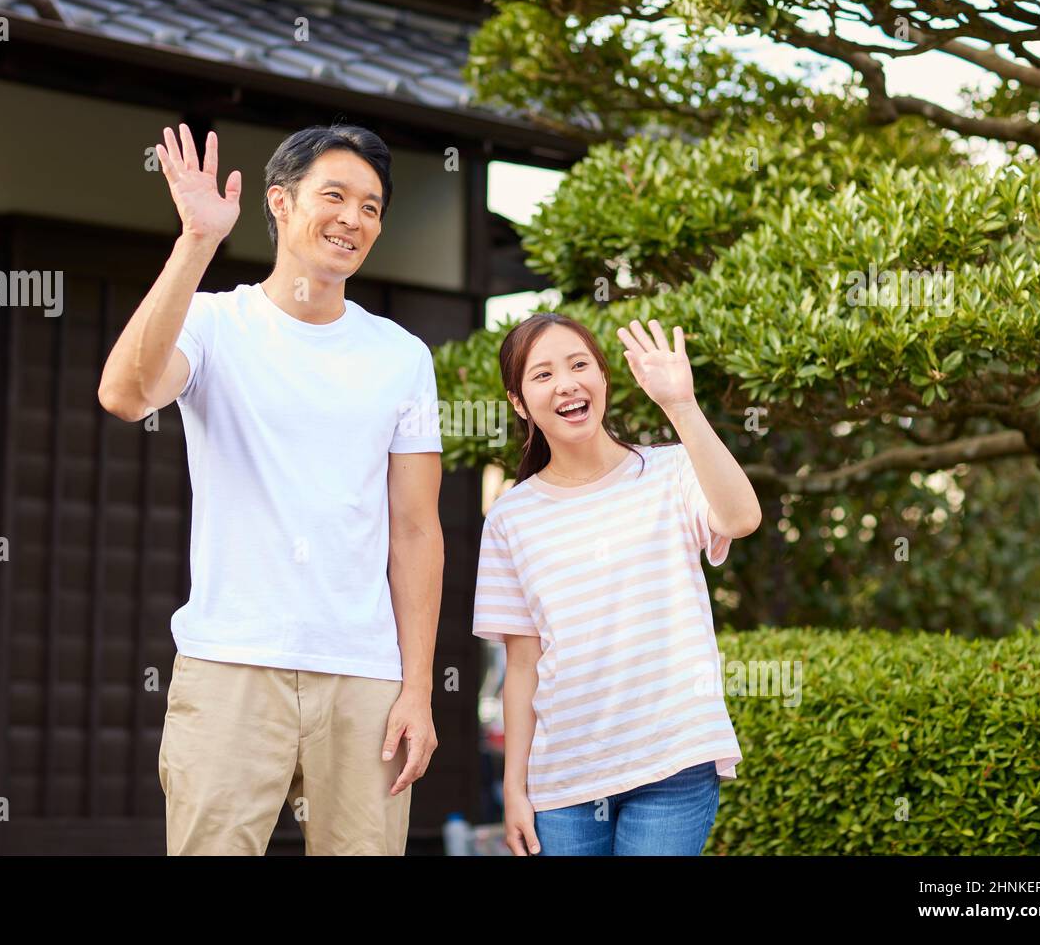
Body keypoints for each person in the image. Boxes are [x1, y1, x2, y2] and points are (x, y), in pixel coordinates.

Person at [98, 122, 444, 855]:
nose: (354, 219)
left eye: (373, 207)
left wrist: (417, 687)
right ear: (281, 204)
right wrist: (195, 241)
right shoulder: (214, 323)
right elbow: (125, 396)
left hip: (364, 677)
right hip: (231, 661)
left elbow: (416, 528)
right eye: (336, 196)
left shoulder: (401, 357)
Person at [471, 312, 762, 855]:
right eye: (542, 374)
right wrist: (515, 788)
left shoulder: (670, 472)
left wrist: (680, 405)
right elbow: (522, 664)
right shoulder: (511, 517)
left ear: (604, 378)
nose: (566, 383)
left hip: (672, 759)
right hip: (564, 778)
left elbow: (742, 518)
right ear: (518, 402)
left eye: (580, 365)